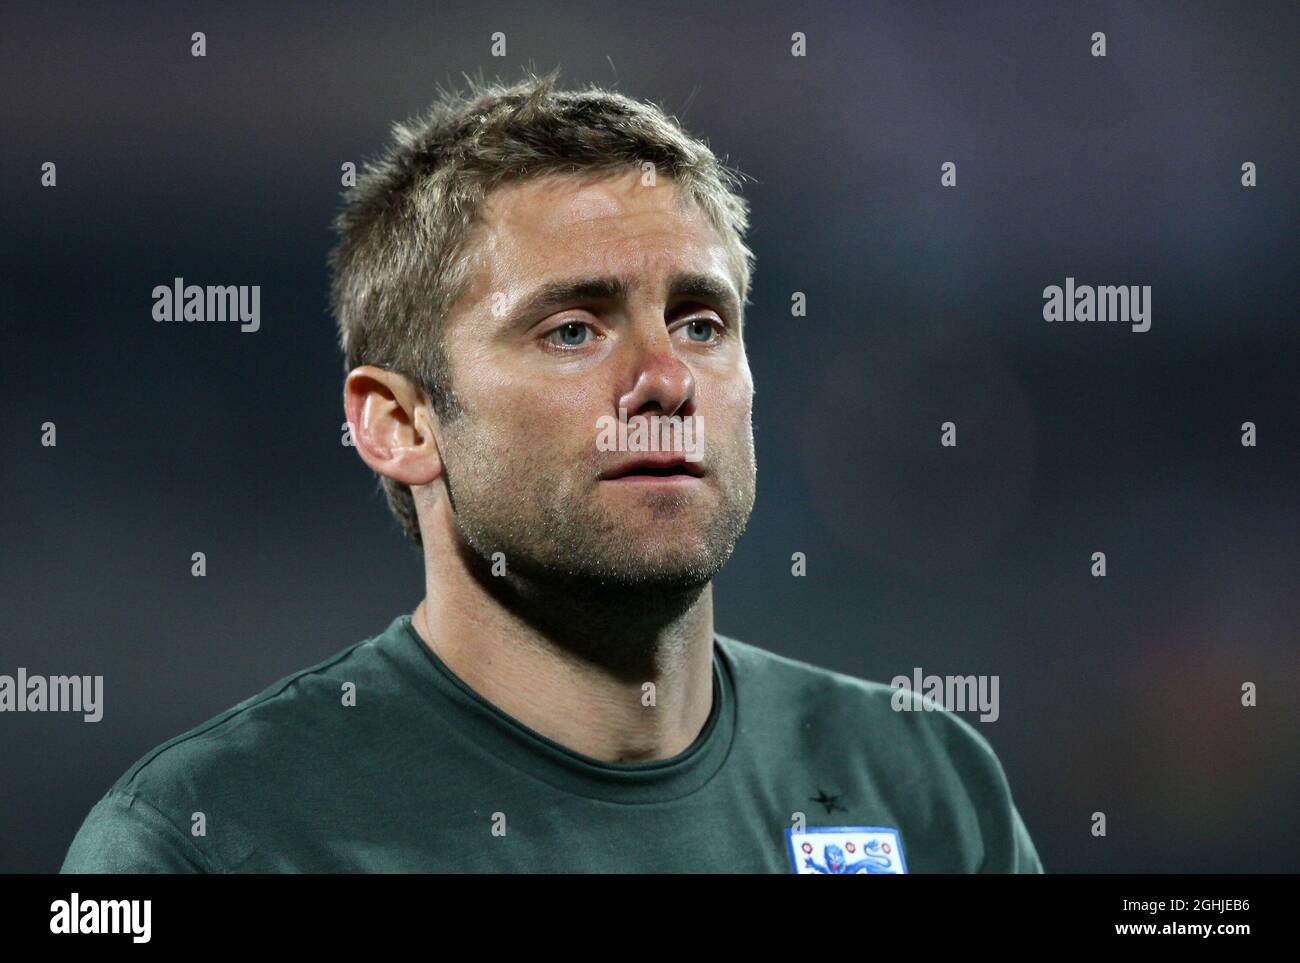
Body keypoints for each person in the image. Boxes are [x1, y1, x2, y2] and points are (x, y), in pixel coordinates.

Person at [61, 71, 1042, 873]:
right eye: (572, 329)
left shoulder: (925, 787)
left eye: (700, 323)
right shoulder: (204, 841)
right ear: (399, 423)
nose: (665, 379)